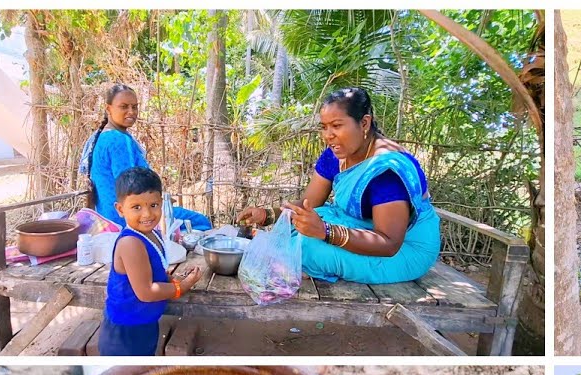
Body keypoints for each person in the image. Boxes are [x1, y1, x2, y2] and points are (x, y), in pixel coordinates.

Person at [237, 87, 440, 285]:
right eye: (324, 127)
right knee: (298, 231)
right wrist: (266, 215)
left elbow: (389, 243)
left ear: (364, 123)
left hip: (404, 248)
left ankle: (310, 264)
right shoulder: (336, 153)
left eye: (336, 125)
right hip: (359, 228)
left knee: (306, 248)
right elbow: (308, 204)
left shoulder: (386, 172)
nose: (328, 135)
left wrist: (325, 232)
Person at [79, 84, 211, 231]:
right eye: (124, 107)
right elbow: (133, 187)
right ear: (108, 108)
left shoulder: (100, 137)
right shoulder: (119, 140)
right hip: (129, 219)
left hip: (109, 216)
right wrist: (158, 202)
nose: (131, 112)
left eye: (134, 107)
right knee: (201, 222)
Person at [100, 168, 203, 355]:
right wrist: (183, 286)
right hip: (126, 333)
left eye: (153, 205)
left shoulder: (150, 234)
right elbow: (147, 292)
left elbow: (152, 270)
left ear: (161, 203)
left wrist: (170, 279)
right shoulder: (131, 243)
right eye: (136, 207)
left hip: (143, 323)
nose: (147, 214)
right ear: (120, 209)